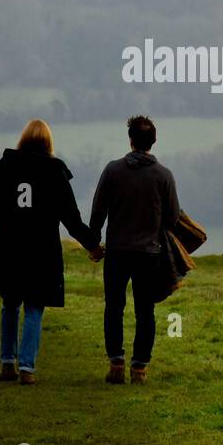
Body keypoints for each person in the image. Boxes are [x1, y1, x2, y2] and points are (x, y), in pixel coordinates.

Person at [0, 119, 102, 385]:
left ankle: (7, 364)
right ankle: (27, 368)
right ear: (48, 143)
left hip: (8, 247)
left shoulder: (6, 164)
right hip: (41, 251)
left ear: (23, 139)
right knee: (34, 306)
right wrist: (93, 245)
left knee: (10, 304)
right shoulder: (54, 172)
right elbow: (71, 220)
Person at [89, 115, 181, 385]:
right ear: (153, 141)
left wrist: (94, 243)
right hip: (149, 254)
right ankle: (139, 369)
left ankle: (116, 363)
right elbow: (173, 217)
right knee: (145, 311)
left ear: (130, 140)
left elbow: (98, 211)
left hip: (117, 252)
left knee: (114, 308)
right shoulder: (164, 175)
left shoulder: (112, 170)